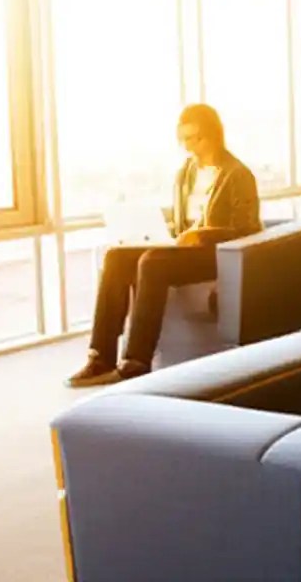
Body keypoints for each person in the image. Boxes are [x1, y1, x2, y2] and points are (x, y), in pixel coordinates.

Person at [67, 104, 261, 387]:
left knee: (152, 262)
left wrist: (204, 235)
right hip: (182, 249)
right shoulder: (185, 174)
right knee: (116, 257)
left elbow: (248, 229)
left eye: (196, 138)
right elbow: (182, 223)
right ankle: (101, 357)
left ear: (215, 135)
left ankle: (137, 361)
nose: (190, 146)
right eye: (184, 139)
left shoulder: (237, 174)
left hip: (214, 254)